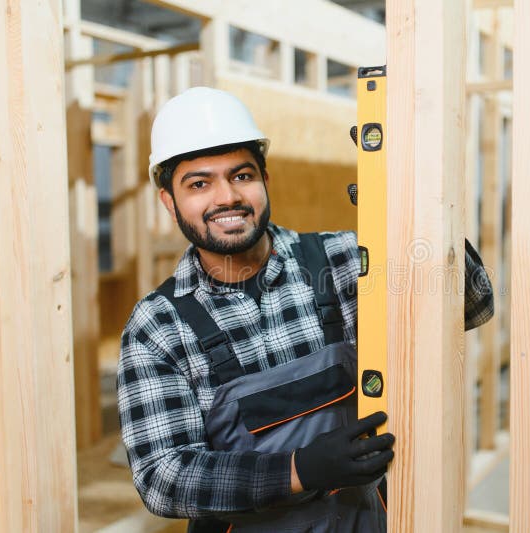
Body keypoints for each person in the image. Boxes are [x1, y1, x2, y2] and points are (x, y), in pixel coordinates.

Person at [117, 87, 495, 532]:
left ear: (265, 181)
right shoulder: (159, 325)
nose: (226, 198)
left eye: (242, 176)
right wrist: (298, 471)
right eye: (199, 183)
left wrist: (415, 205)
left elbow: (474, 305)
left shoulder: (344, 261)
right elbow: (163, 478)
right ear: (169, 201)